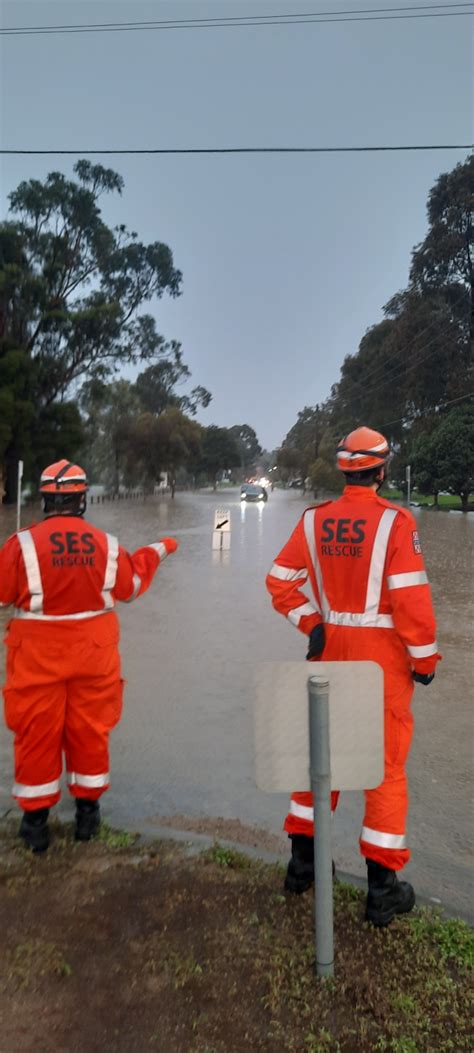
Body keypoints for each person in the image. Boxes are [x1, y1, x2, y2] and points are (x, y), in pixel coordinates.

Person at [266, 427, 440, 927]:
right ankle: (382, 891)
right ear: (382, 471)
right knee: (382, 770)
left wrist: (312, 624)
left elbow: (279, 581)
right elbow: (413, 605)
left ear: (344, 469)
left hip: (329, 654)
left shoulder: (313, 520)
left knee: (319, 761)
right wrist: (425, 661)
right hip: (380, 662)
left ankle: (302, 867)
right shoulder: (396, 523)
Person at [0, 459, 178, 853]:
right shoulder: (108, 544)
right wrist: (160, 549)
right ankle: (87, 817)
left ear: (45, 500)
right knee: (90, 732)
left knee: (36, 733)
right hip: (94, 657)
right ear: (82, 498)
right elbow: (131, 587)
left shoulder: (21, 544)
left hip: (35, 658)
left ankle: (34, 828)